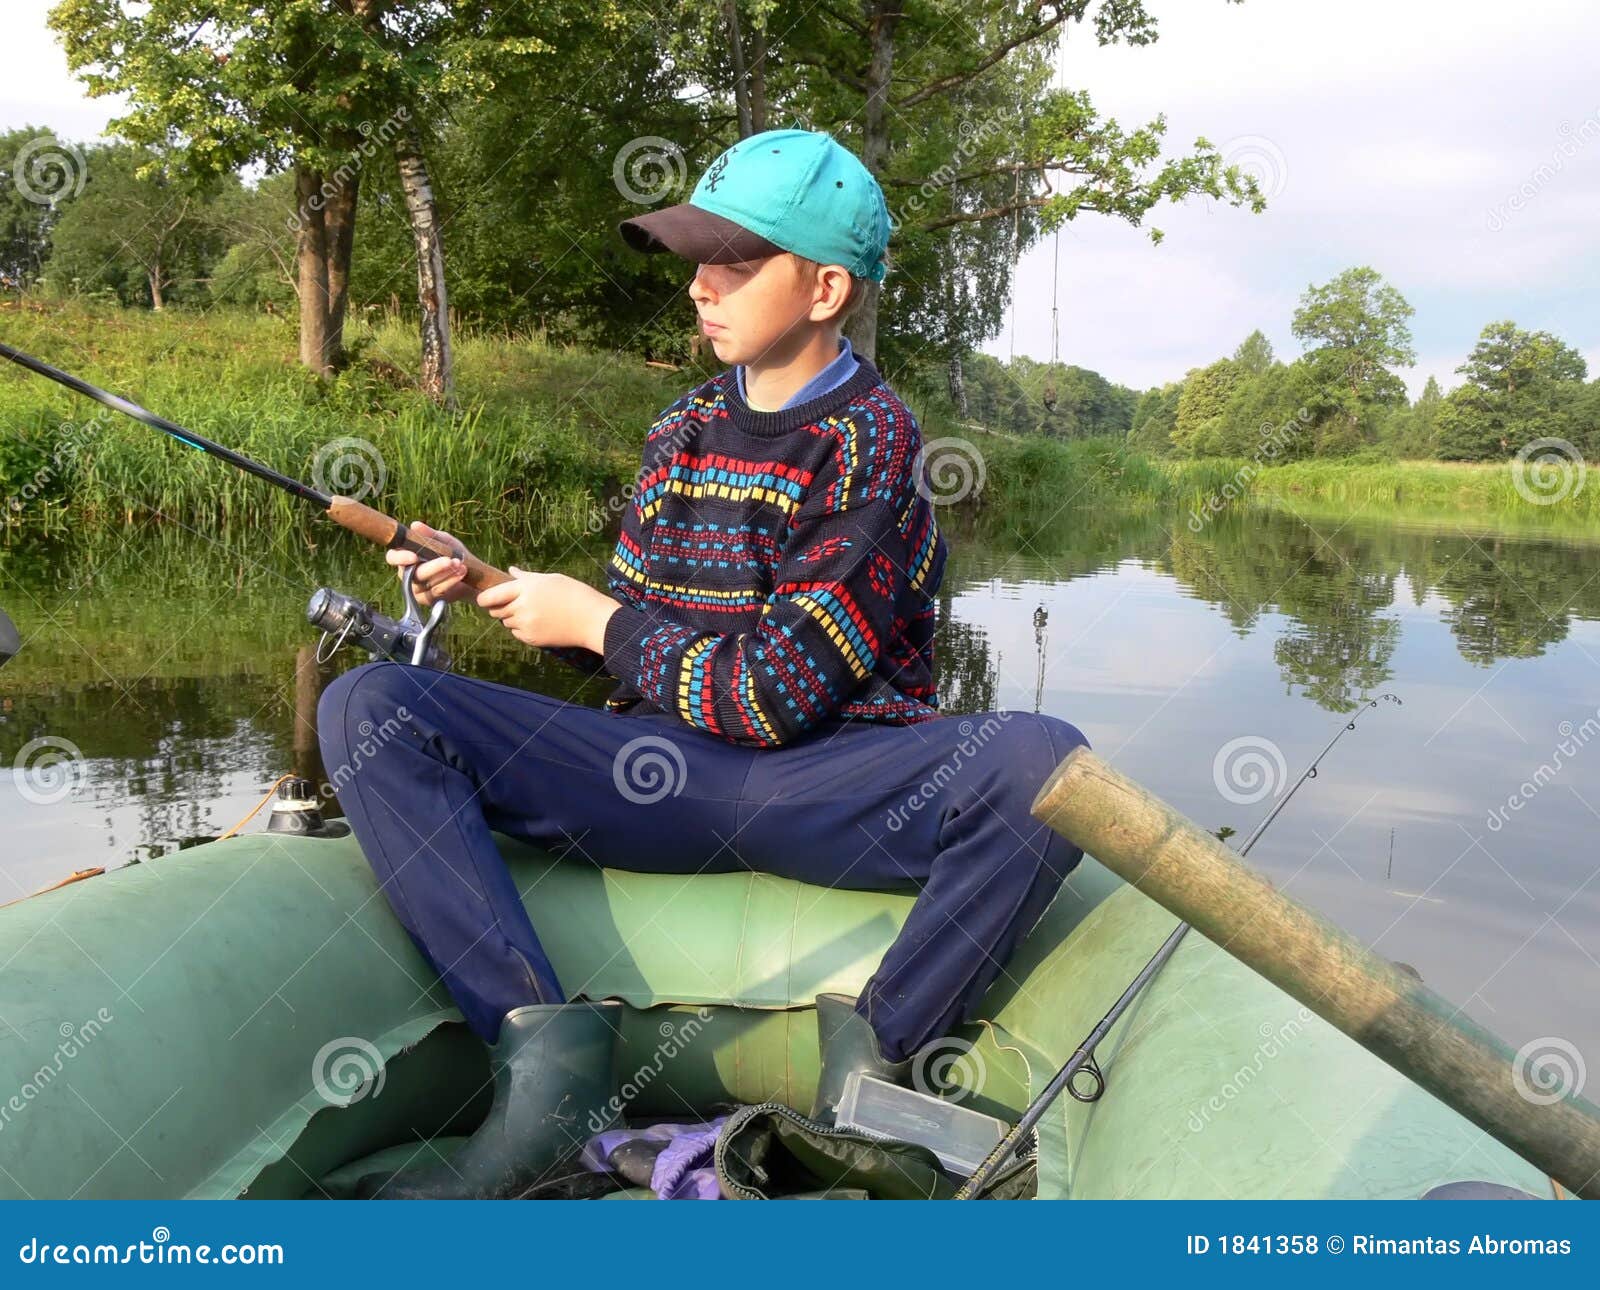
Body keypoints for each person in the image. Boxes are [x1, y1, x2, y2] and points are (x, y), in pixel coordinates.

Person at [318, 127, 1088, 1200]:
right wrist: (504, 587)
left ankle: (875, 1060)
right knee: (373, 706)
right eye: (694, 260)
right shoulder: (679, 427)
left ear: (823, 288)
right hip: (659, 768)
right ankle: (544, 1063)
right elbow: (636, 642)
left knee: (1043, 763)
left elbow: (772, 698)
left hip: (822, 782)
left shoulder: (878, 444)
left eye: (734, 263)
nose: (699, 287)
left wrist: (593, 622)